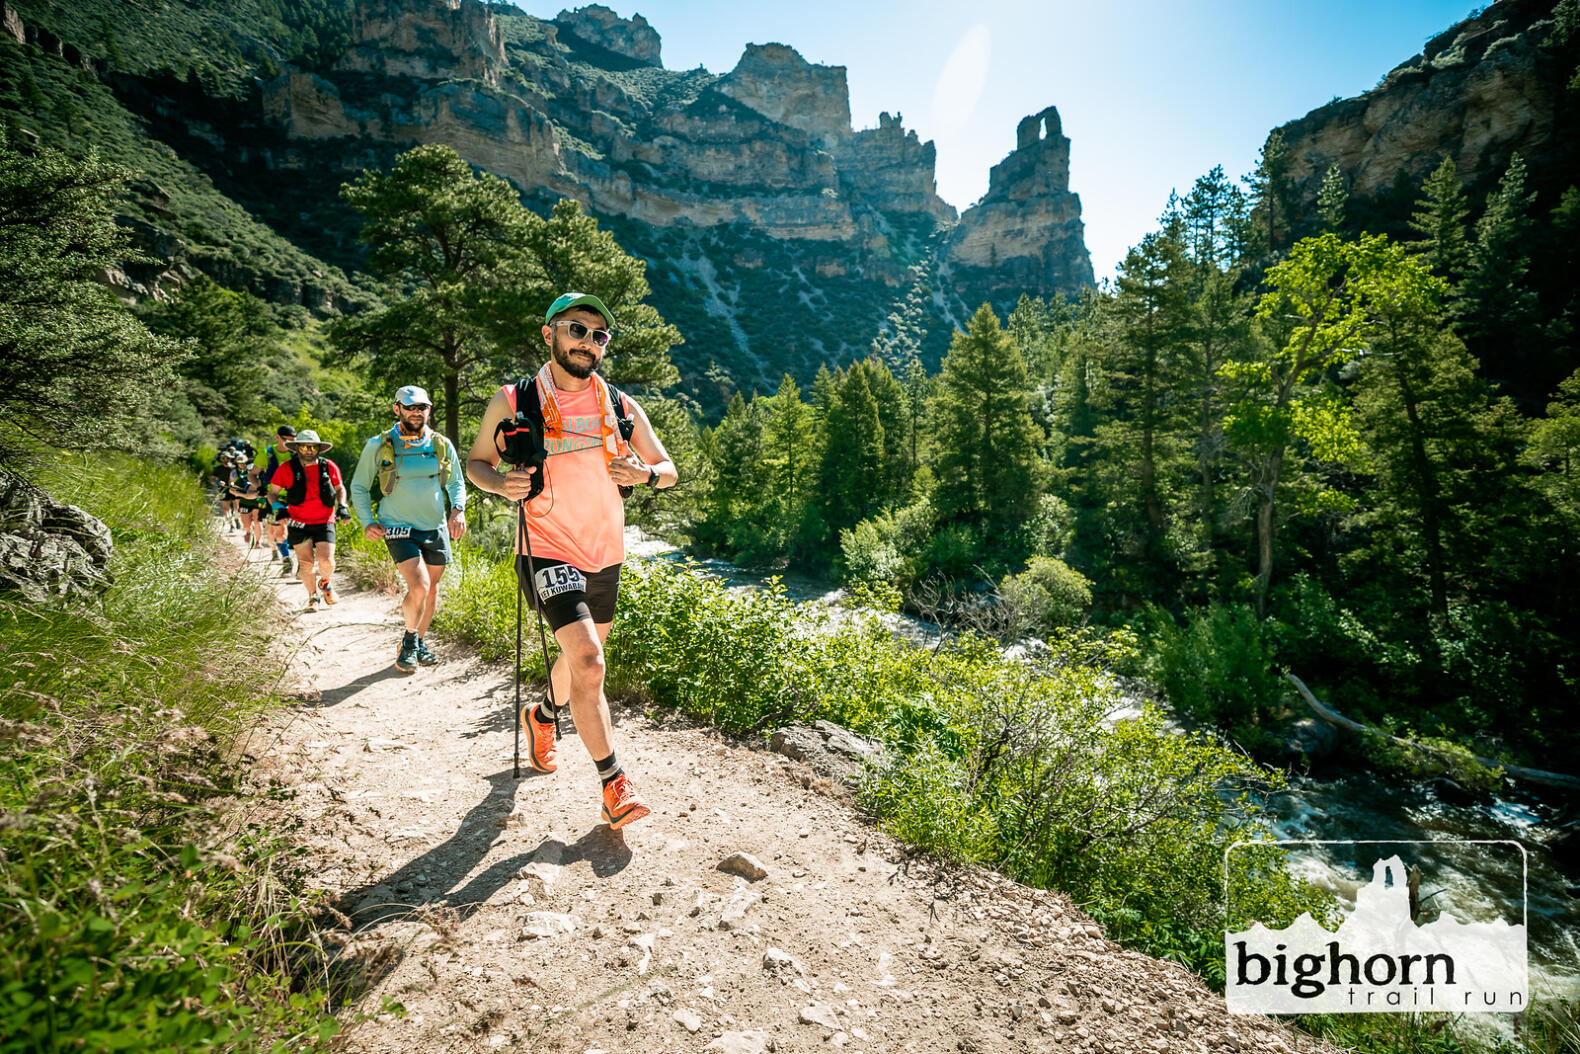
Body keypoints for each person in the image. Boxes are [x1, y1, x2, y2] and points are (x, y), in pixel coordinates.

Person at [466, 292, 675, 831]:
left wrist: (645, 475)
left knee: (581, 659)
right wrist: (501, 483)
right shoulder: (514, 400)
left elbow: (668, 467)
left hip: (605, 551)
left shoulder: (622, 407)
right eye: (576, 330)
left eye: (598, 335)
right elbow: (476, 464)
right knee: (590, 662)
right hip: (545, 546)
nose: (587, 342)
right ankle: (614, 784)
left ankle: (541, 715)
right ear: (549, 334)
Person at [350, 386, 468, 673]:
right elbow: (359, 487)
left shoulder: (440, 444)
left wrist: (458, 510)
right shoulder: (379, 445)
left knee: (431, 590)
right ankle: (410, 640)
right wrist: (367, 522)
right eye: (410, 407)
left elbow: (456, 482)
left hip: (435, 526)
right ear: (397, 409)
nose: (416, 412)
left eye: (422, 407)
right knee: (419, 585)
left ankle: (419, 641)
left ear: (428, 410)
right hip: (398, 526)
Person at [267, 429, 349, 612]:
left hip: (325, 520)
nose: (309, 450)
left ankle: (325, 583)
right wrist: (278, 509)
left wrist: (342, 506)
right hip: (299, 523)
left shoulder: (328, 466)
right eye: (305, 446)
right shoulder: (286, 469)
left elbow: (339, 488)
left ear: (319, 449)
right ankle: (313, 597)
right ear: (297, 448)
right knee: (306, 564)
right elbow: (272, 493)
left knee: (327, 561)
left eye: (313, 447)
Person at [261, 425, 298, 571]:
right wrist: (257, 486)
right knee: (277, 533)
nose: (288, 442)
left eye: (292, 440)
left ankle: (302, 564)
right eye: (285, 439)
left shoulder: (298, 454)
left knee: (296, 532)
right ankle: (286, 560)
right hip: (274, 497)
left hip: (295, 497)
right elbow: (253, 473)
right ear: (277, 437)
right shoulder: (267, 453)